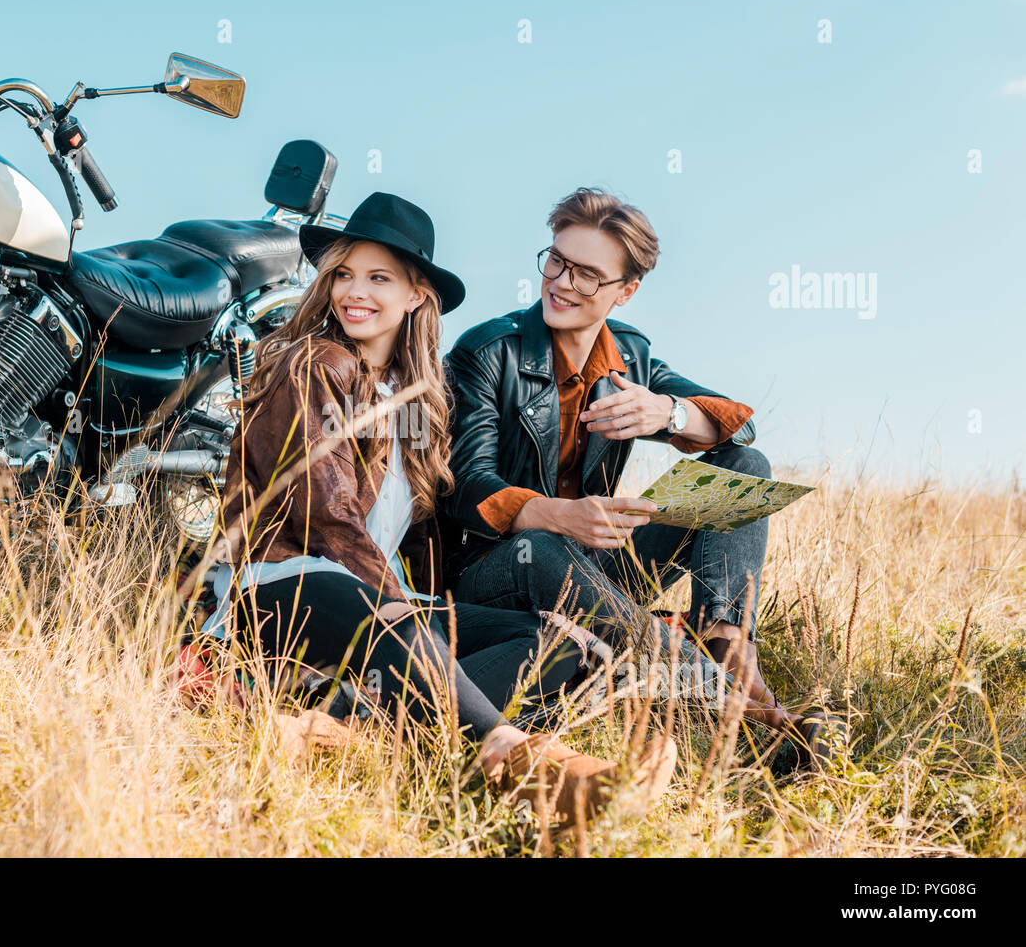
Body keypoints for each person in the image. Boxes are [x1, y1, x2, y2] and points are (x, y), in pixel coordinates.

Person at [203, 192, 677, 824]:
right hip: (281, 590)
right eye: (343, 274)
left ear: (416, 295)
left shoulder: (418, 400)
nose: (354, 292)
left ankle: (340, 732)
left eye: (379, 278)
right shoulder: (314, 363)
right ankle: (516, 760)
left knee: (567, 644)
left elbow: (423, 533)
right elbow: (324, 514)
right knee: (390, 612)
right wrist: (402, 606)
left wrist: (432, 613)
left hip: (377, 602)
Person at [442, 187, 835, 759]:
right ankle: (739, 715)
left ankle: (723, 639)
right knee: (544, 547)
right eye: (557, 261)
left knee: (744, 468)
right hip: (495, 573)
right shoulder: (487, 350)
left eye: (587, 275)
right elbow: (465, 486)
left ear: (626, 292)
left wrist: (671, 412)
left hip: (595, 565)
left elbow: (740, 427)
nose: (561, 283)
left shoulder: (631, 354)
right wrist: (560, 517)